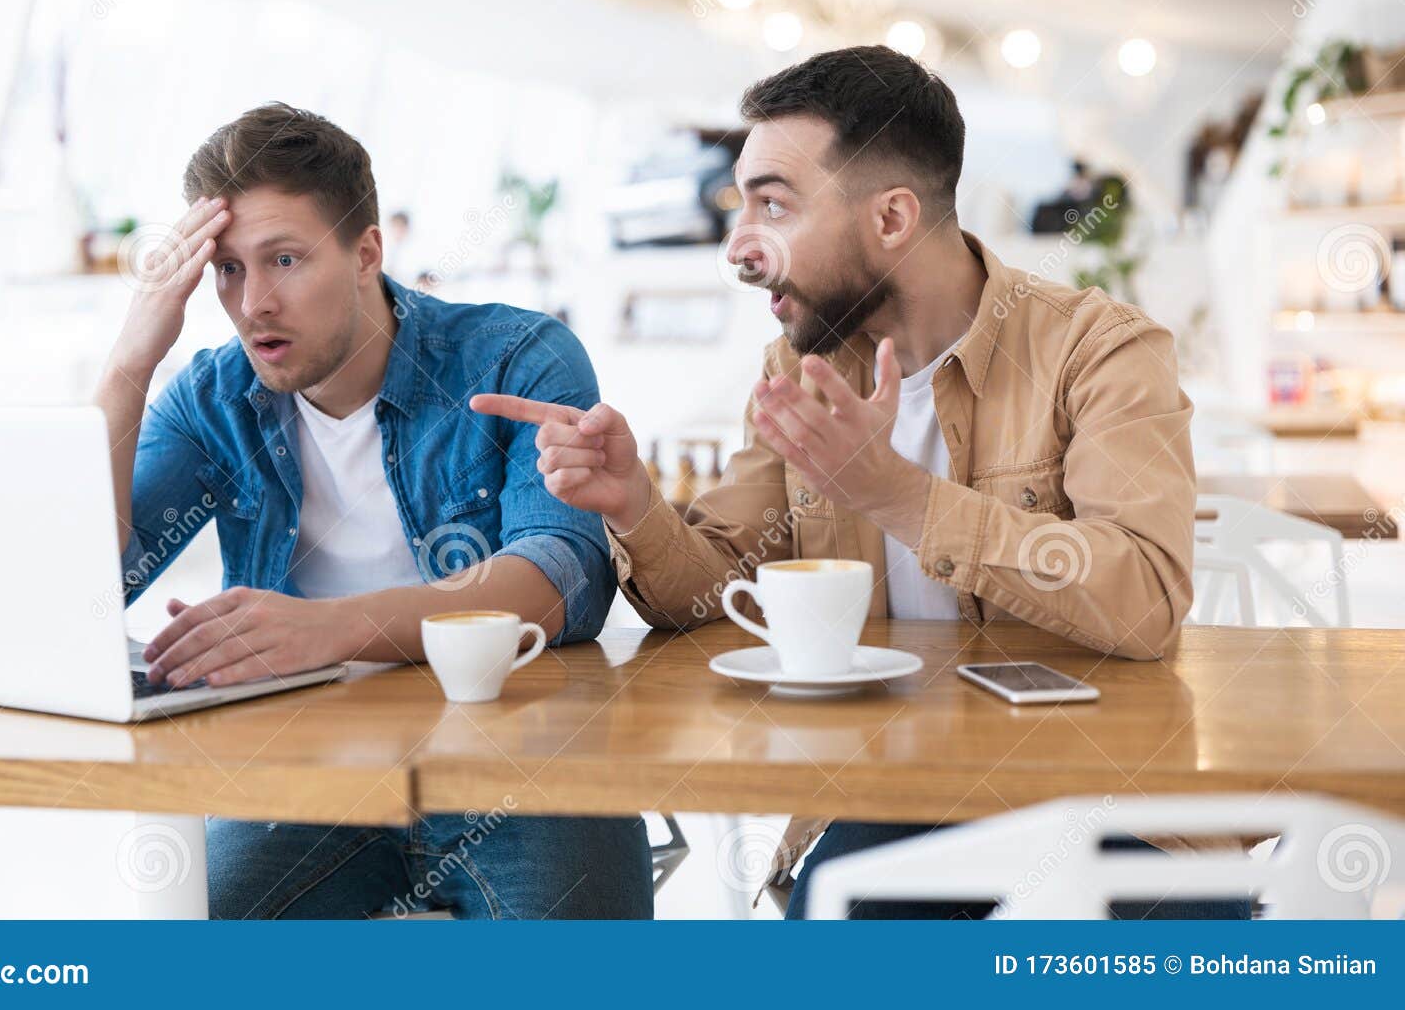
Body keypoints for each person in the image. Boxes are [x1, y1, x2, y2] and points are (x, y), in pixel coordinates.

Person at [474, 46, 1238, 919]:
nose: (738, 248)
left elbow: (1144, 598)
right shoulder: (796, 370)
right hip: (904, 791)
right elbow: (714, 586)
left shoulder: (1100, 350)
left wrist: (898, 494)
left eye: (773, 205)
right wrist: (635, 501)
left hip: (1114, 792)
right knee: (834, 929)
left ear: (892, 219)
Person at [94, 102, 650, 919]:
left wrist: (330, 629)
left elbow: (559, 577)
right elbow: (95, 583)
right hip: (311, 776)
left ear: (367, 251)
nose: (253, 304)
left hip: (521, 768)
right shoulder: (214, 398)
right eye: (229, 270)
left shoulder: (517, 357)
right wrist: (128, 364)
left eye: (284, 259)